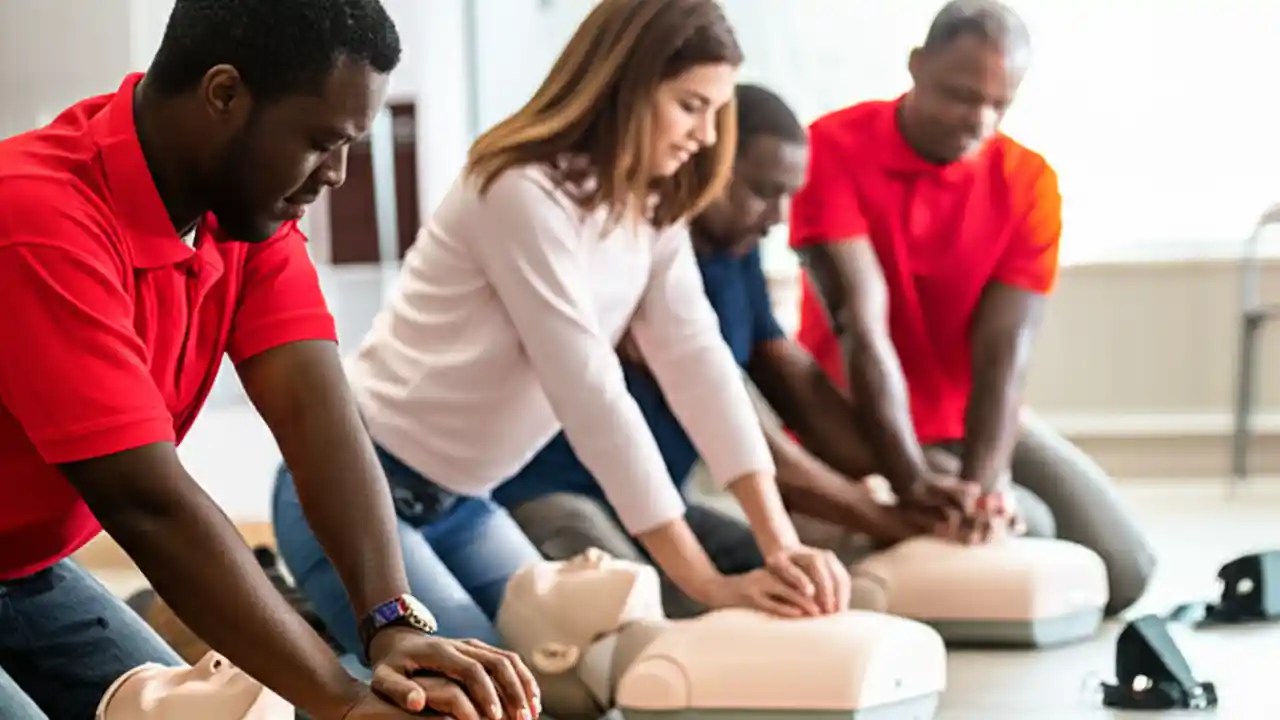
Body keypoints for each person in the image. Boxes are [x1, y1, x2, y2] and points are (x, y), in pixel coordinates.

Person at [0, 2, 540, 720]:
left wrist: (391, 622)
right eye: (322, 141)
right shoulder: (37, 220)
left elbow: (318, 418)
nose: (339, 174)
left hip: (24, 568)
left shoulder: (246, 213)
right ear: (224, 93)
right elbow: (147, 504)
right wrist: (342, 702)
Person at [272, 0, 853, 659]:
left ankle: (307, 617)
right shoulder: (518, 190)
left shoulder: (651, 210)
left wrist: (783, 545)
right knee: (472, 680)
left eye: (716, 112)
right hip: (353, 487)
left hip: (464, 504)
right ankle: (280, 641)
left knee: (577, 668)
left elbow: (699, 361)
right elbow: (591, 394)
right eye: (692, 106)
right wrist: (704, 582)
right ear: (627, 86)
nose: (707, 134)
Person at [492, 83, 930, 618]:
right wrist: (884, 516)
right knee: (655, 611)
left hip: (663, 508)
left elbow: (795, 386)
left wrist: (918, 485)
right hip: (555, 494)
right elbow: (741, 431)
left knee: (805, 596)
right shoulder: (634, 255)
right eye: (762, 192)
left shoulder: (736, 254)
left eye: (788, 195)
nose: (777, 217)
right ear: (706, 166)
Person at [786, 0, 1156, 614]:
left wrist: (983, 488)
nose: (978, 121)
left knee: (1123, 569)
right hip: (859, 419)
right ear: (915, 67)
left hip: (968, 418)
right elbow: (860, 327)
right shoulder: (830, 146)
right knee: (1030, 527)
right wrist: (911, 482)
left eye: (998, 104)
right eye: (960, 96)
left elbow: (1005, 355)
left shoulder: (1029, 182)